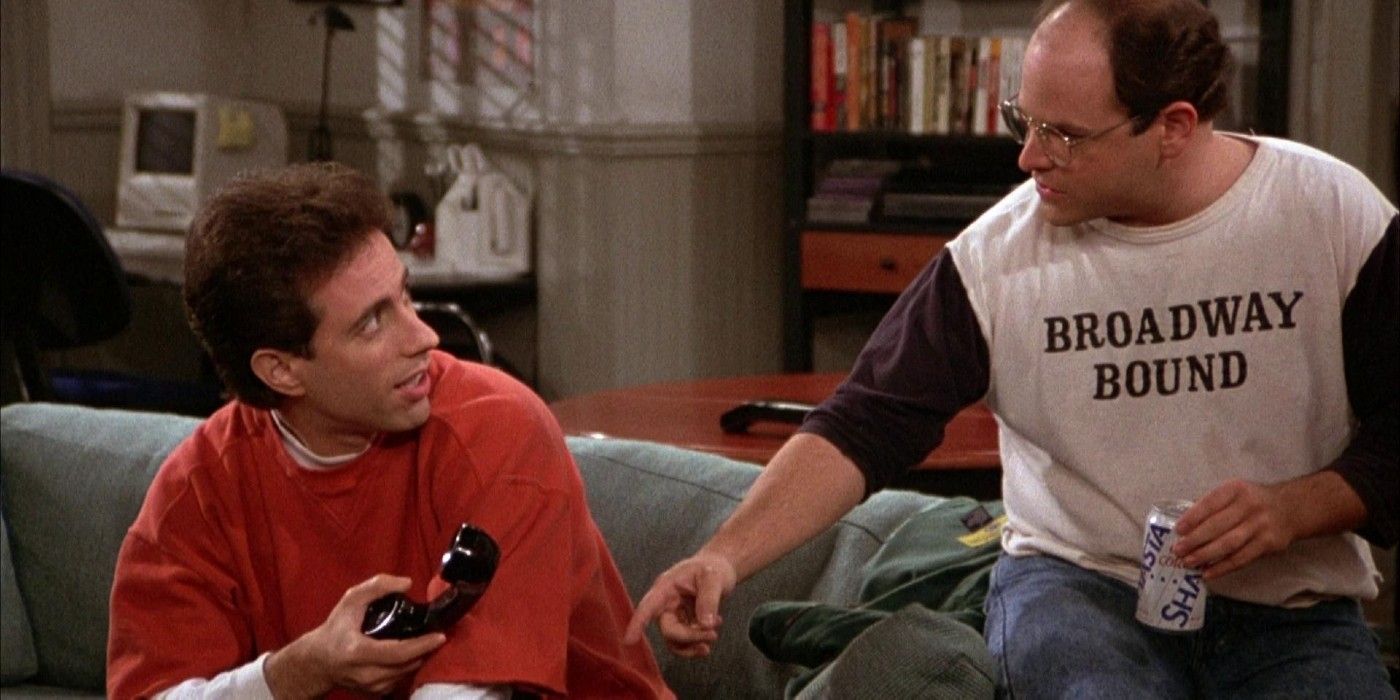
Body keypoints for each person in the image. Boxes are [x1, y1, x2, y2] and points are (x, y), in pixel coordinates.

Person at [626, 0, 1398, 696]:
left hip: (1292, 609)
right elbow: (860, 425)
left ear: (1172, 126)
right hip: (1079, 588)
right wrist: (723, 557)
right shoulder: (993, 260)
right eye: (1022, 122)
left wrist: (1298, 508)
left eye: (1064, 135)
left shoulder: (1331, 216)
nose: (1029, 158)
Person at [107, 162, 673, 699]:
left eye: (405, 295)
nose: (424, 337)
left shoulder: (501, 428)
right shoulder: (198, 487)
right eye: (372, 322)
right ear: (281, 371)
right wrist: (294, 673)